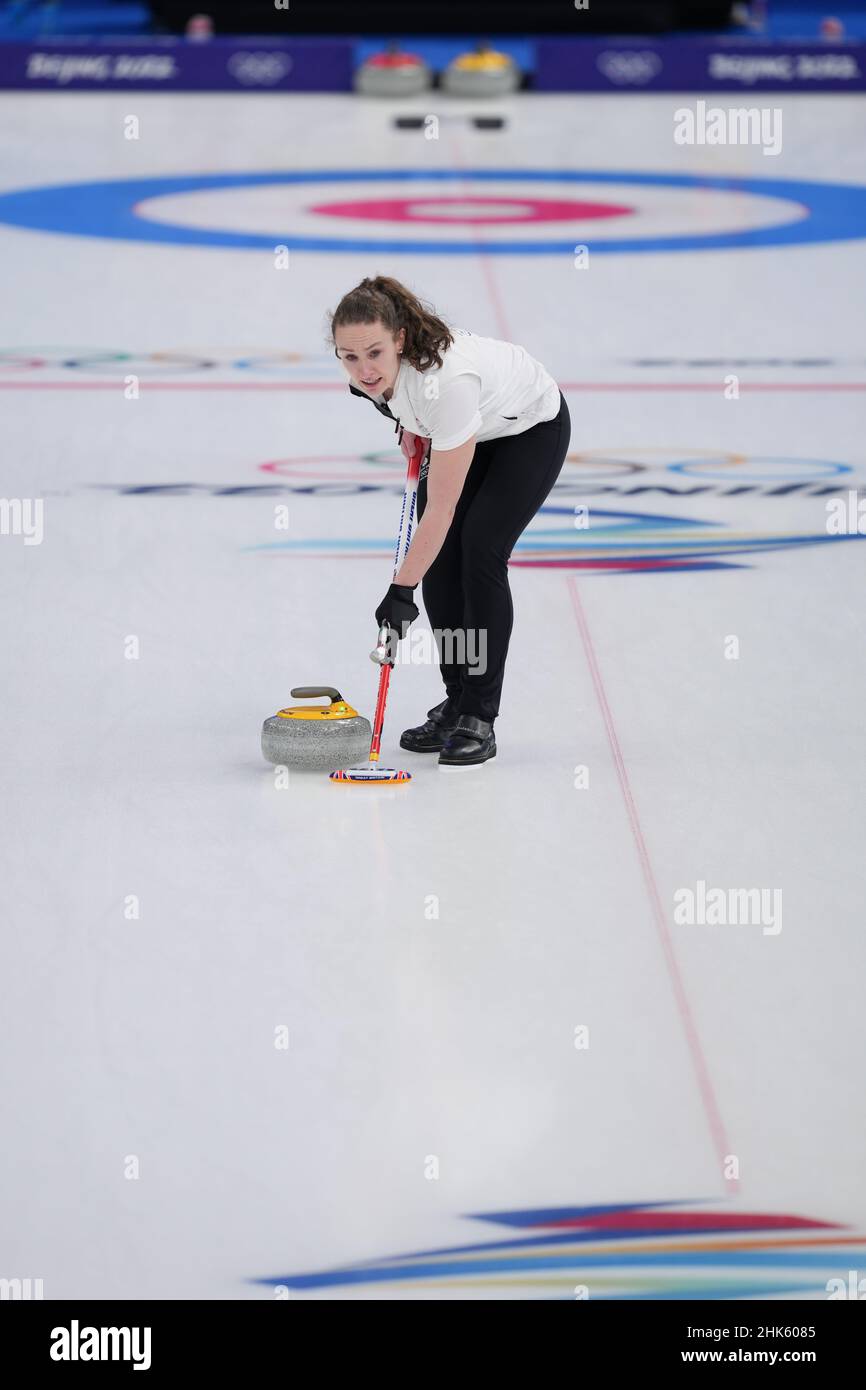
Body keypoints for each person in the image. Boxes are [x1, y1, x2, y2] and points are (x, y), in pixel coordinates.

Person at [329, 275, 571, 767]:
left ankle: (479, 715)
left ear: (399, 339)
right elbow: (399, 401)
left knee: (479, 551)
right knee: (440, 564)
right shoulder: (369, 375)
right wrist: (409, 426)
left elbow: (440, 511)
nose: (363, 369)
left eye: (374, 353)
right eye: (349, 357)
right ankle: (456, 700)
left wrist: (400, 591)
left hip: (527, 429)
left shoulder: (449, 382)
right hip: (468, 428)